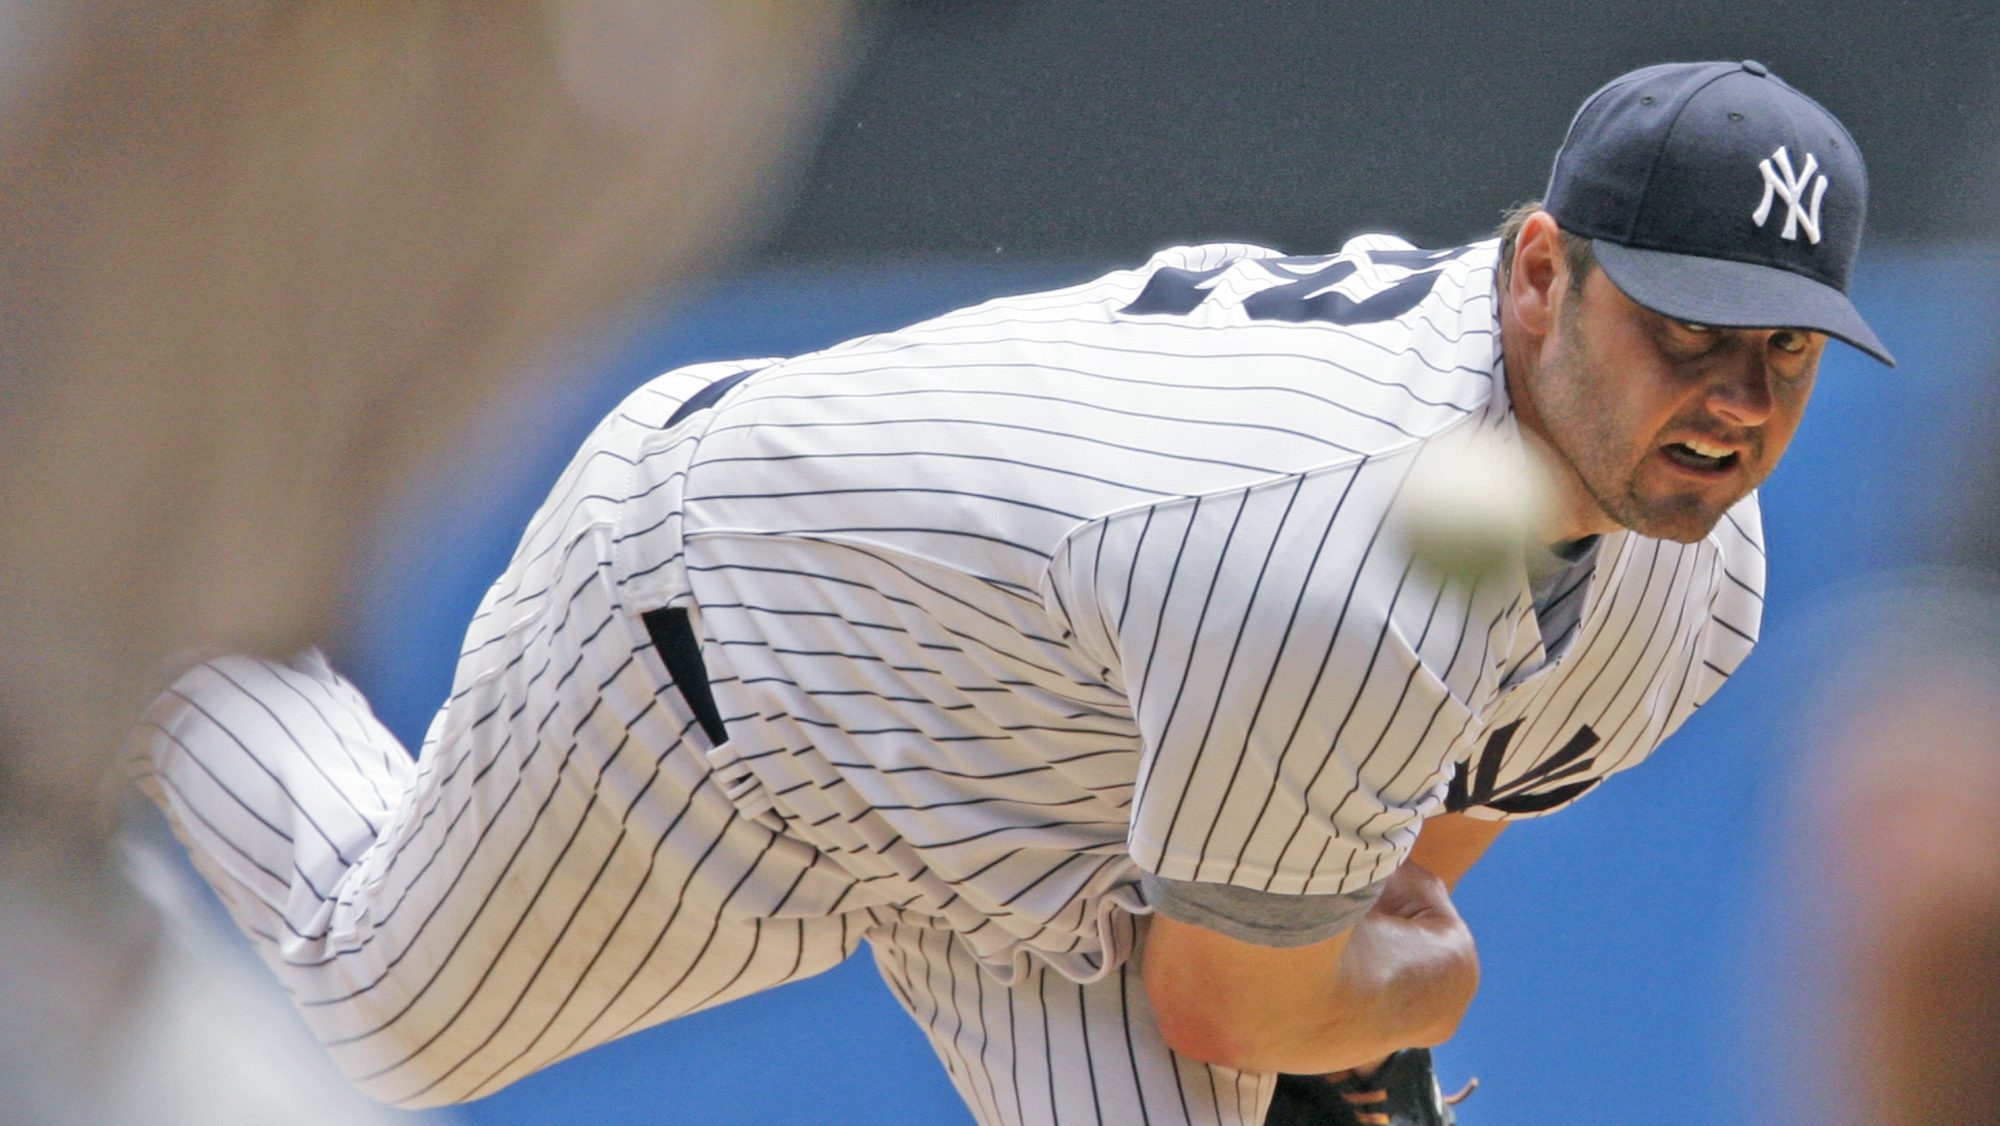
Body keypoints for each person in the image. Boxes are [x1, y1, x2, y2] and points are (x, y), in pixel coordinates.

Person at [130, 60, 1892, 1125]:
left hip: (1086, 796)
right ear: (1537, 277)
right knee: (384, 1002)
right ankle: (110, 618)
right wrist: (1412, 986)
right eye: (1681, 331)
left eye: (1783, 355)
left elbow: (1402, 834)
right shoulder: (1338, 548)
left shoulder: (1692, 577)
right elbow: (1248, 993)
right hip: (732, 647)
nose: (1733, 403)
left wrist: (1359, 954)